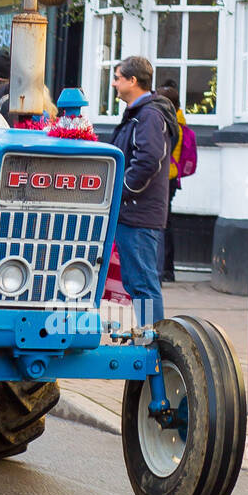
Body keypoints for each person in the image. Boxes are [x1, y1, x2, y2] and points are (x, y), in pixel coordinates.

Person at [109, 55, 178, 325]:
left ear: (133, 81)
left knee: (143, 284)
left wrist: (122, 190)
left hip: (139, 214)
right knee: (138, 282)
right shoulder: (140, 115)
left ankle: (152, 340)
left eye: (117, 78)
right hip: (135, 212)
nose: (114, 84)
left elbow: (149, 159)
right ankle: (148, 335)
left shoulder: (148, 116)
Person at [157, 85, 188, 283]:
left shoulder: (171, 124)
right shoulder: (178, 121)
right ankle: (167, 270)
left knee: (162, 226)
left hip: (166, 176)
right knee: (166, 224)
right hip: (171, 177)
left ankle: (164, 270)